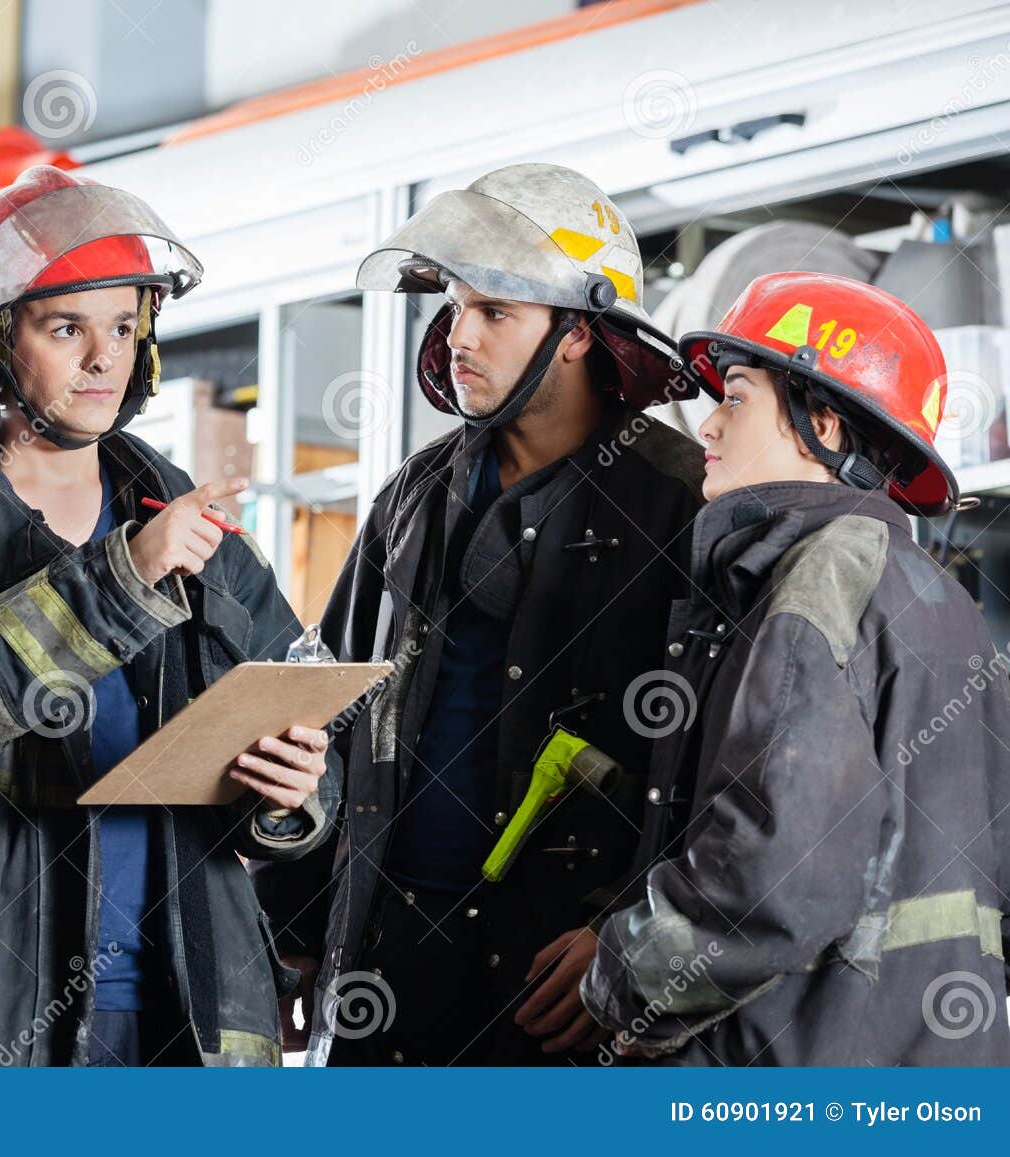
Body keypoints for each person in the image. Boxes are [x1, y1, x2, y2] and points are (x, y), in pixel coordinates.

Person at [0, 166, 332, 1067]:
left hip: (190, 1027)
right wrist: (126, 577)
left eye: (124, 327)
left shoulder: (205, 537)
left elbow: (304, 761)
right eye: (68, 328)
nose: (106, 358)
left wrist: (292, 794)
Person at [253, 163, 708, 1065]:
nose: (459, 334)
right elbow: (328, 711)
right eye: (456, 307)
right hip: (386, 975)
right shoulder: (413, 499)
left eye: (494, 312)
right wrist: (295, 930)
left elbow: (724, 764)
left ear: (579, 331)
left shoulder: (683, 503)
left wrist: (633, 946)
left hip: (559, 990)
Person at [583, 271, 1010, 1064]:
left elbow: (770, 879)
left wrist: (615, 978)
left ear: (825, 426)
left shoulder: (818, 581)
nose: (707, 426)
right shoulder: (939, 597)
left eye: (736, 395)